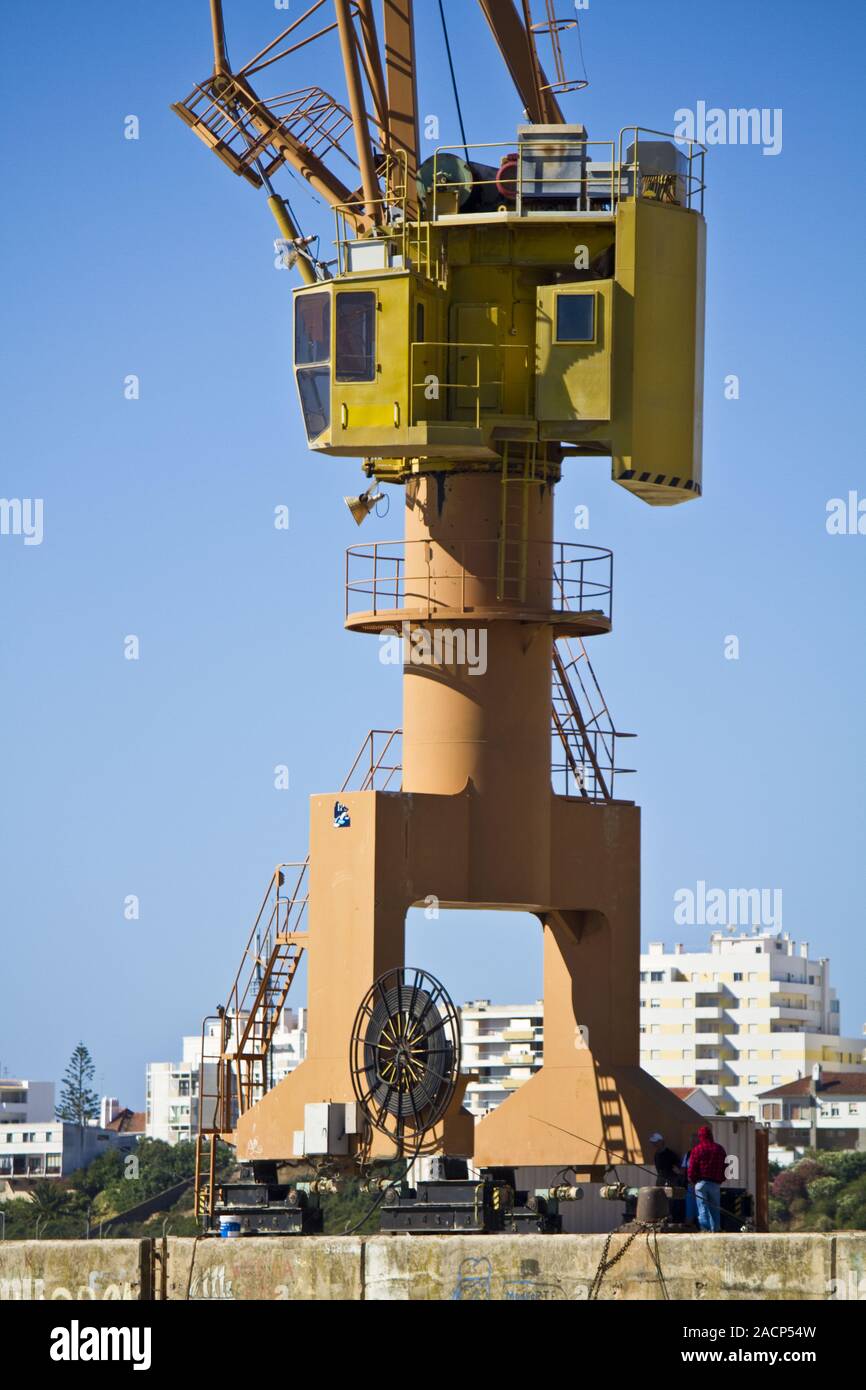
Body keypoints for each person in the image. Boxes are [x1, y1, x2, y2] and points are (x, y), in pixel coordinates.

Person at [688, 1124, 727, 1232]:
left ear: (701, 1137)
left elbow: (691, 1168)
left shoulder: (697, 1150)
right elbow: (725, 1167)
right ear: (711, 1135)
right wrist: (721, 1179)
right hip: (715, 1184)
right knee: (715, 1209)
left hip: (701, 1183)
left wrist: (692, 1180)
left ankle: (705, 1231)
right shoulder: (719, 1149)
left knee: (703, 1209)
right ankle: (715, 1231)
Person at [681, 1131, 700, 1227]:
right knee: (689, 1207)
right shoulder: (688, 1154)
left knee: (700, 1208)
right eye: (692, 1141)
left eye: (695, 1141)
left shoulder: (703, 1153)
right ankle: (689, 1225)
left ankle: (701, 1226)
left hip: (700, 1185)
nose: (693, 1143)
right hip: (690, 1185)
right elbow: (683, 1168)